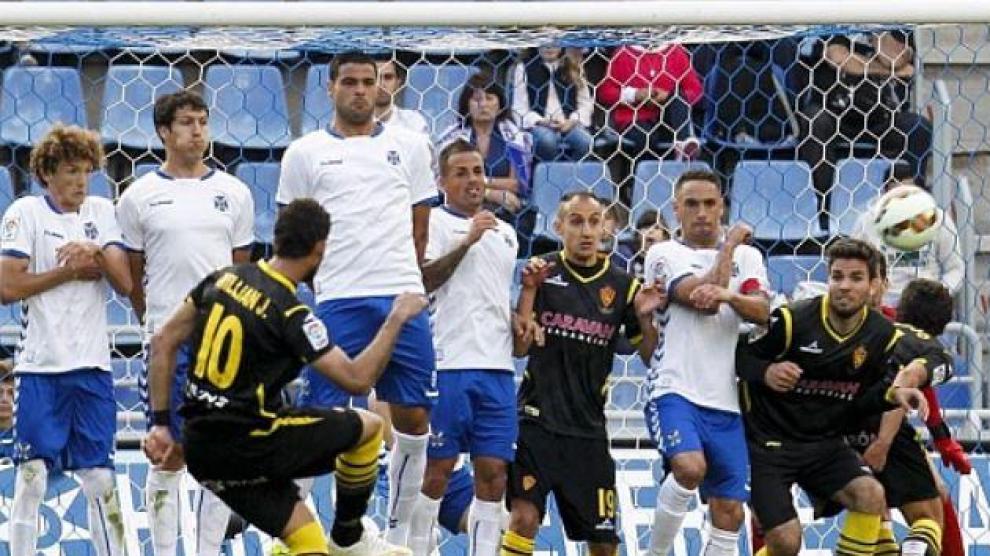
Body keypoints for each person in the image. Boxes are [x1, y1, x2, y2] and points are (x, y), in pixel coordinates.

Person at [143, 199, 424, 556]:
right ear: (319, 250)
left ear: (277, 238)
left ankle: (328, 545)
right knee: (368, 428)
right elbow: (357, 380)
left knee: (306, 543)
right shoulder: (291, 313)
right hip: (253, 440)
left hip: (202, 448)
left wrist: (161, 423)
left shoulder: (223, 278)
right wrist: (396, 318)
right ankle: (349, 539)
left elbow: (163, 340)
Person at [277, 51, 438, 546]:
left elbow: (419, 227)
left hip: (399, 296)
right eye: (350, 82)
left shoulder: (411, 147)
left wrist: (404, 279)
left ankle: (398, 535)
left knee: (413, 418)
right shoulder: (303, 153)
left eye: (369, 81)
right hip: (339, 298)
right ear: (331, 88)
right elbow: (290, 233)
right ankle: (295, 532)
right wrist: (321, 285)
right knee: (323, 419)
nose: (361, 90)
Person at [116, 91, 255, 556]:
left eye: (202, 121)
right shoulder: (139, 197)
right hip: (169, 346)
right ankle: (160, 549)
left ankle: (206, 551)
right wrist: (159, 323)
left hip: (222, 343)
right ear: (163, 132)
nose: (198, 131)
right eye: (186, 123)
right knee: (168, 453)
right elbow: (135, 277)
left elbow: (242, 272)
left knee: (218, 456)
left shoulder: (234, 193)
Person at [735, 238, 929, 556]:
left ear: (873, 285)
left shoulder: (880, 334)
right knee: (785, 541)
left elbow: (864, 398)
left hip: (822, 444)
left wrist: (894, 394)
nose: (844, 286)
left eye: (855, 278)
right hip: (769, 445)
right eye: (837, 276)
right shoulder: (791, 321)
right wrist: (766, 370)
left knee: (870, 496)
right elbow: (739, 357)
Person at [501, 192, 665, 556]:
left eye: (594, 221)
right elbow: (519, 348)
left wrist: (643, 318)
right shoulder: (541, 271)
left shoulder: (624, 286)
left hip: (588, 429)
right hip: (536, 421)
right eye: (576, 221)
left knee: (604, 545)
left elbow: (651, 354)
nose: (586, 230)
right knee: (524, 519)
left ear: (607, 227)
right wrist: (528, 292)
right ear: (558, 227)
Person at [0, 124, 133, 556]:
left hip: (92, 367)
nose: (81, 181)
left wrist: (94, 252)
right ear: (47, 173)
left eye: (87, 172)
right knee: (33, 475)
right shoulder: (25, 213)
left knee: (99, 479)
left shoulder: (100, 210)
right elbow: (8, 287)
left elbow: (125, 283)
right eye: (72, 171)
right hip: (41, 367)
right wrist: (68, 271)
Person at [641, 170, 771, 556]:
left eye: (710, 204)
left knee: (729, 512)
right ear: (676, 210)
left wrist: (734, 296)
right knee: (689, 468)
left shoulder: (751, 257)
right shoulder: (663, 254)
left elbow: (762, 311)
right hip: (673, 388)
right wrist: (728, 245)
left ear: (722, 206)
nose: (702, 213)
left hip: (724, 399)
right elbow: (701, 297)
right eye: (692, 204)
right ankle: (657, 553)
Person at [406, 140, 520, 556]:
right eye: (462, 173)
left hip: (498, 370)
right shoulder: (432, 224)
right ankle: (417, 550)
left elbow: (489, 294)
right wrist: (467, 241)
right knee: (435, 471)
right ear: (441, 182)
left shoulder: (506, 234)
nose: (473, 180)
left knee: (493, 474)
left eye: (478, 171)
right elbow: (424, 280)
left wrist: (518, 316)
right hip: (448, 363)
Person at [817, 276, 958, 556]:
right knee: (928, 517)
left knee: (872, 511)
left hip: (828, 422)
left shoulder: (867, 329)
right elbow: (901, 383)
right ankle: (917, 548)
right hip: (882, 422)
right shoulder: (930, 350)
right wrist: (882, 442)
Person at [797, 31, 931, 198]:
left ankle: (911, 200)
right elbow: (838, 58)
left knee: (918, 127)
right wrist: (890, 71)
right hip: (833, 114)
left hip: (883, 118)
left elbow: (896, 59)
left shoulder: (896, 26)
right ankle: (822, 202)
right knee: (815, 120)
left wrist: (876, 30)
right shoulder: (835, 23)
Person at [438, 71, 533, 246]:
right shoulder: (452, 138)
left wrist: (479, 184)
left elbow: (517, 184)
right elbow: (448, 182)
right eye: (476, 99)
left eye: (489, 98)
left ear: (500, 103)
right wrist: (490, 193)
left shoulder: (516, 137)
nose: (483, 105)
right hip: (462, 205)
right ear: (466, 104)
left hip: (505, 209)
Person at [851, 163, 963, 306]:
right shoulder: (866, 222)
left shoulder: (939, 220)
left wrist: (938, 296)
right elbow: (853, 265)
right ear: (885, 193)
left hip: (925, 304)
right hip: (881, 305)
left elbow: (955, 269)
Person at [597, 44, 703, 159]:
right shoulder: (623, 53)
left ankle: (684, 144)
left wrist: (667, 96)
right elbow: (605, 93)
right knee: (646, 138)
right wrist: (635, 95)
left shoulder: (676, 52)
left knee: (677, 96)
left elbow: (696, 91)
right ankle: (645, 175)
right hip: (633, 120)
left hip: (669, 122)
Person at [511, 47, 595, 161]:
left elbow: (585, 103)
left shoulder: (573, 66)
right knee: (547, 142)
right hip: (539, 124)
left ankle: (573, 175)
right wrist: (541, 121)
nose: (549, 46)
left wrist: (573, 120)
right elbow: (519, 108)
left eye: (554, 41)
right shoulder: (524, 68)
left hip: (569, 123)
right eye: (545, 41)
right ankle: (549, 176)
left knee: (586, 142)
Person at [374, 58, 431, 136]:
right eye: (375, 78)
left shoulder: (413, 122)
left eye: (388, 77)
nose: (381, 84)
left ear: (398, 82)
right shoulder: (354, 122)